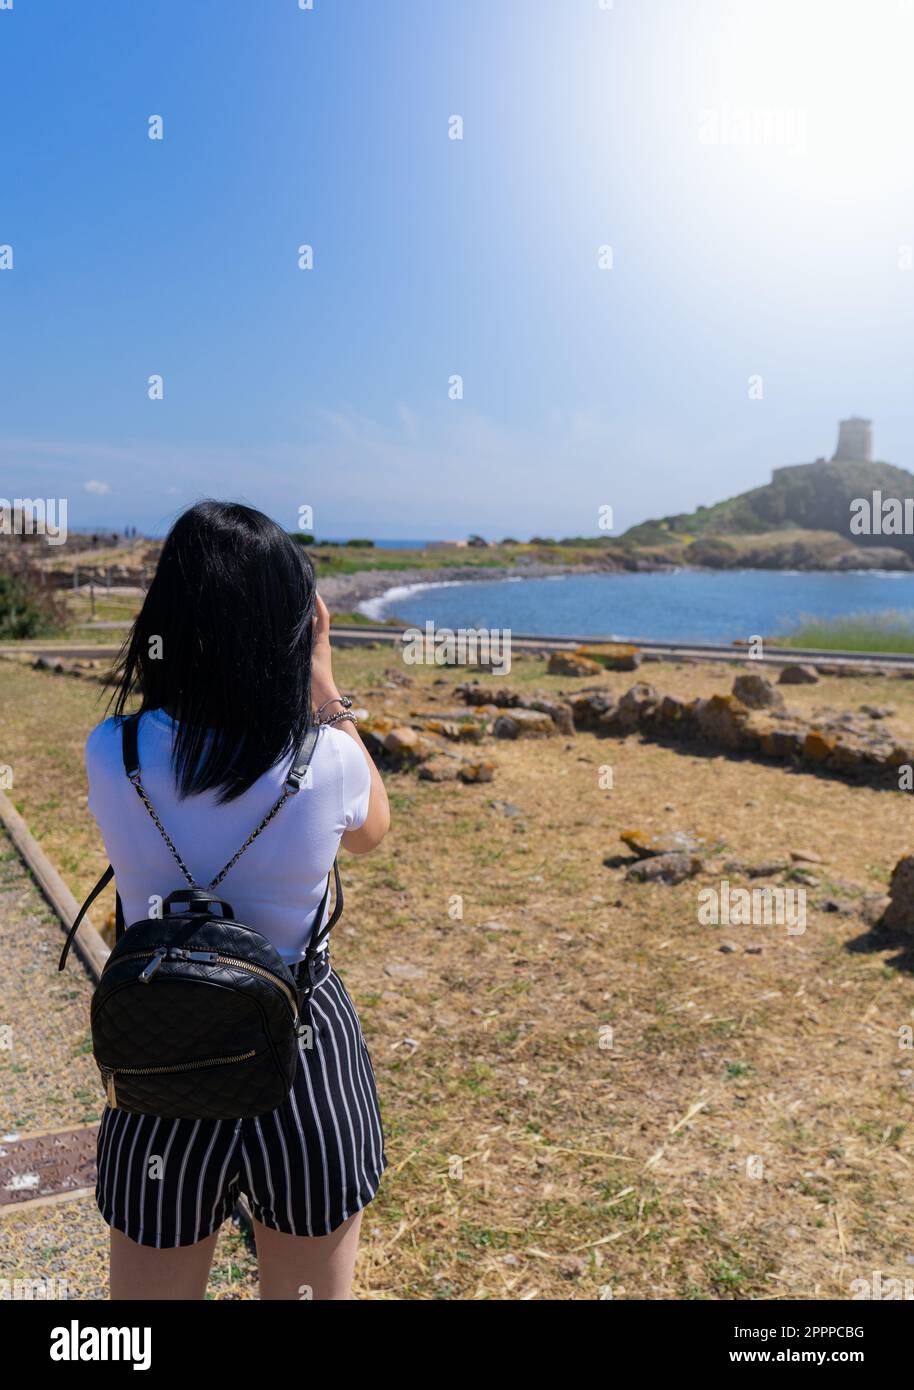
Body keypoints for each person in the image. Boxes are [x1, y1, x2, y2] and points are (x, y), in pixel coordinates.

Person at [84, 500, 390, 1299]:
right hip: (304, 1051)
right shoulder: (326, 759)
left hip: (160, 1044)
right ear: (295, 623)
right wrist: (324, 681)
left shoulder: (112, 750)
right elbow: (372, 834)